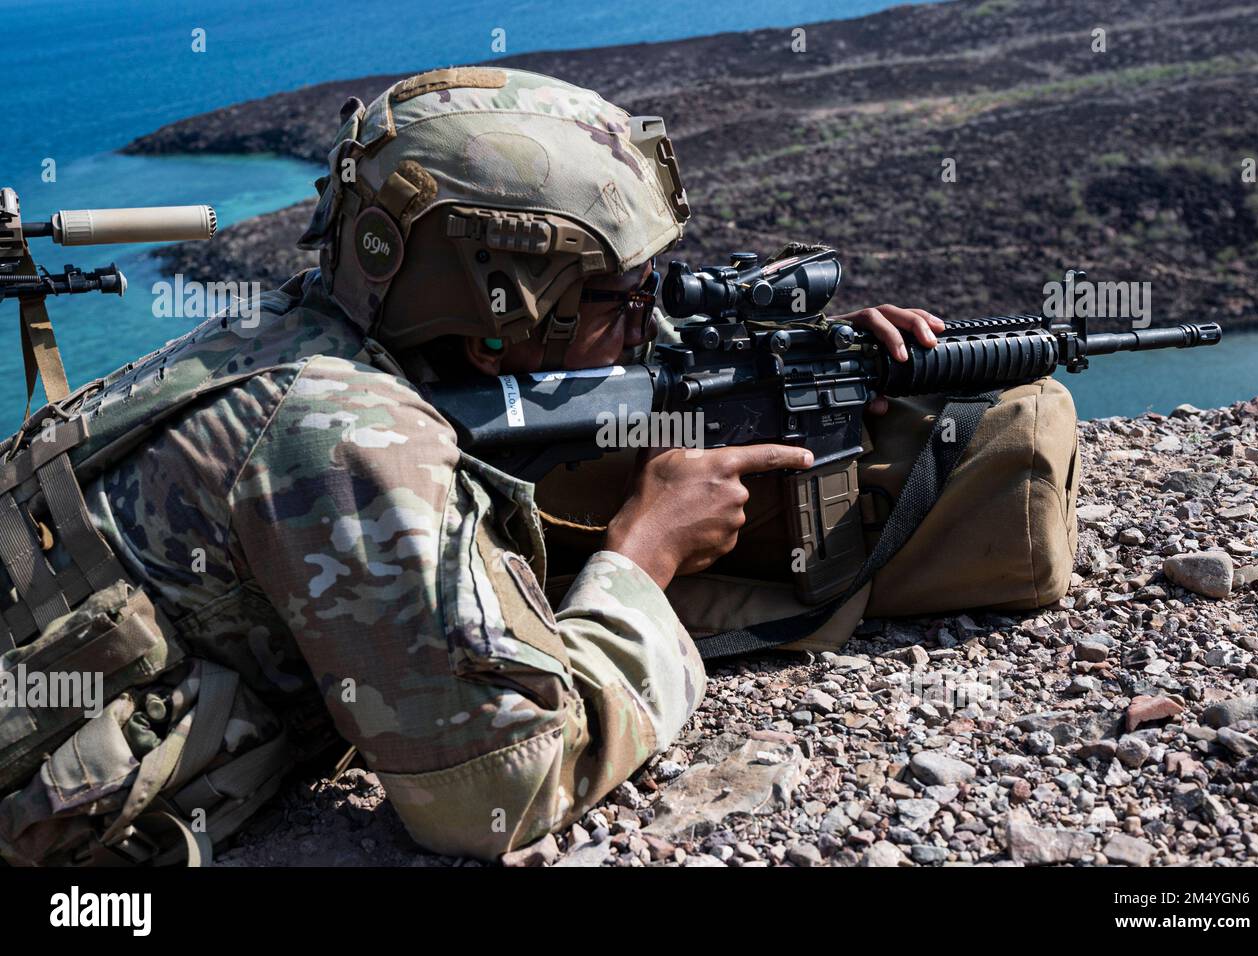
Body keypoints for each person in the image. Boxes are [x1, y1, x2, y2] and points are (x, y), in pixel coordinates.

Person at [0, 66, 1075, 865]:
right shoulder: (348, 439)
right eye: (624, 296)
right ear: (502, 307)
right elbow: (495, 791)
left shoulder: (281, 338)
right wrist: (637, 562)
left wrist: (809, 359)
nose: (652, 312)